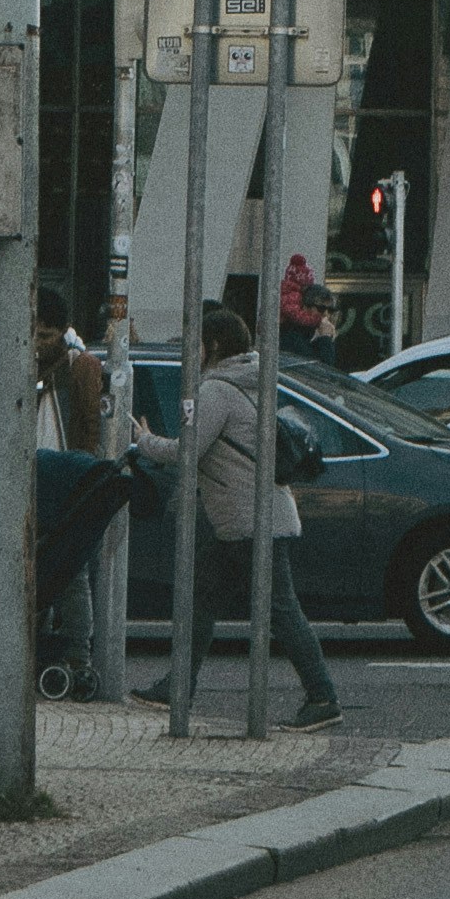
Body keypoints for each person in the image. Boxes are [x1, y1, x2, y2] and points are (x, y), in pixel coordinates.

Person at [142, 305, 339, 727]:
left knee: (281, 611)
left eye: (194, 344)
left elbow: (186, 451)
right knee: (203, 600)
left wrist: (144, 440)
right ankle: (177, 687)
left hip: (252, 522)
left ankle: (323, 699)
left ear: (212, 346)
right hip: (247, 518)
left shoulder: (217, 390)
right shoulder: (252, 381)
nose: (188, 352)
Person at [34, 284, 111, 697]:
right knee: (34, 570)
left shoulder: (80, 367)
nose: (36, 343)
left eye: (44, 336)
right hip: (32, 480)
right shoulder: (22, 363)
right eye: (31, 333)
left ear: (61, 332)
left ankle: (79, 657)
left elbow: (91, 428)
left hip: (68, 482)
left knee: (71, 573)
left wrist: (86, 479)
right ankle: (36, 648)